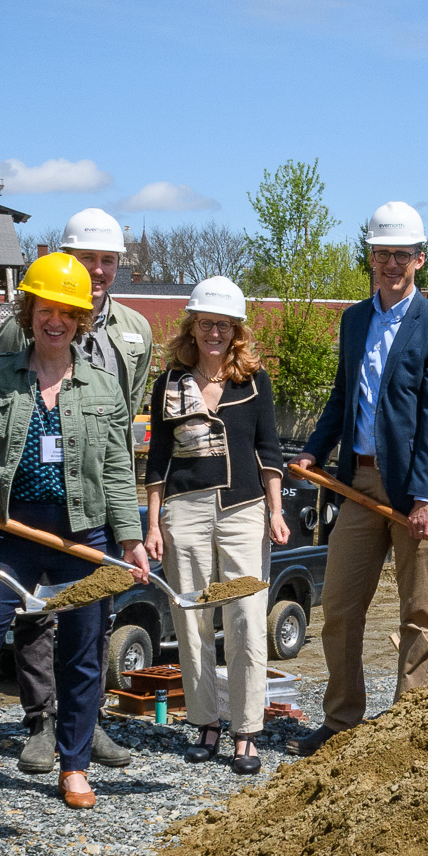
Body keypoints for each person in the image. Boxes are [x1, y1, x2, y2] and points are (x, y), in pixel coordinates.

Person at [0, 253, 149, 811]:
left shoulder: (104, 388)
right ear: (29, 310)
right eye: (45, 308)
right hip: (6, 528)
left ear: (82, 319)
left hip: (82, 535)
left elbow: (115, 469)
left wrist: (129, 539)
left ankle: (75, 766)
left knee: (83, 652)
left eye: (67, 312)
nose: (55, 321)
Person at [294, 201, 428, 755]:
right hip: (360, 483)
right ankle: (342, 720)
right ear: (369, 257)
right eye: (382, 254)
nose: (392, 264)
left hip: (417, 490)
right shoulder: (354, 320)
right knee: (341, 606)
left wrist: (423, 497)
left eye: (402, 255)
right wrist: (315, 452)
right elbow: (342, 396)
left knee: (418, 611)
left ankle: (408, 724)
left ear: (420, 259)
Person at [0, 208, 152, 775]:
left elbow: (125, 417)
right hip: (36, 493)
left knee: (94, 609)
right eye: (88, 260)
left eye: (108, 260)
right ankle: (40, 721)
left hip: (96, 491)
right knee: (35, 608)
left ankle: (86, 721)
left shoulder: (135, 330)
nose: (99, 270)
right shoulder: (28, 321)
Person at [142, 276, 287, 774]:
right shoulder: (169, 382)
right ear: (193, 326)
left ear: (236, 331)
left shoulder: (254, 380)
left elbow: (268, 450)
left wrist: (277, 510)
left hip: (244, 508)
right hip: (185, 509)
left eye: (224, 326)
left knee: (246, 614)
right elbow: (157, 458)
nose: (214, 333)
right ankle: (206, 721)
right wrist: (153, 522)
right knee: (191, 616)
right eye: (207, 324)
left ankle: (246, 730)